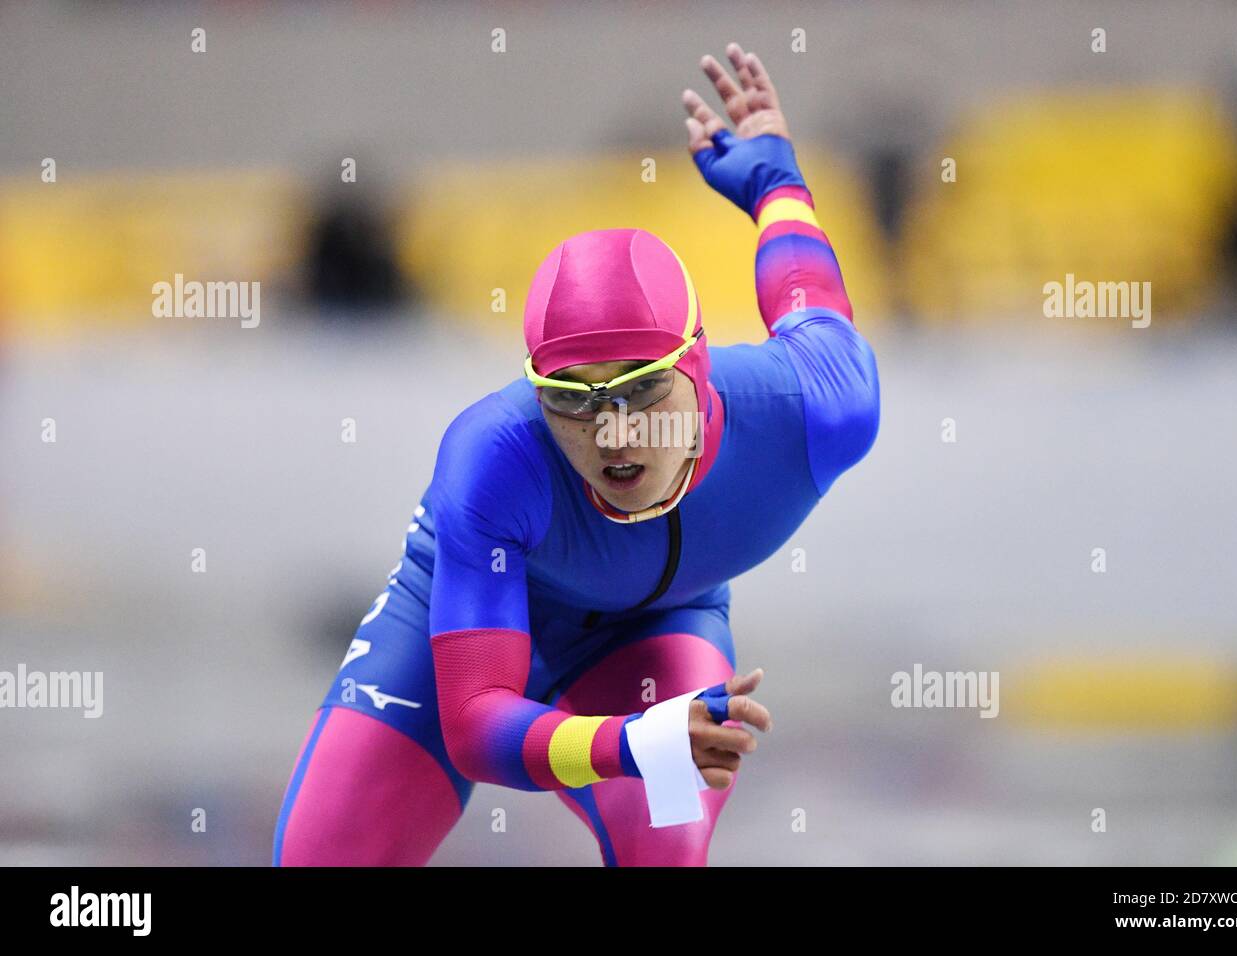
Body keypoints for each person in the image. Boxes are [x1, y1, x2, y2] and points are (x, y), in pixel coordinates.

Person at [274, 43, 880, 866]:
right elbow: (478, 727)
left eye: (638, 388)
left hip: (653, 634)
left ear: (696, 369)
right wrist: (630, 742)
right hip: (463, 618)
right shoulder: (495, 458)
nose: (612, 434)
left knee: (664, 847)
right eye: (571, 397)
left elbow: (805, 290)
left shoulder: (815, 409)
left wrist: (775, 184)